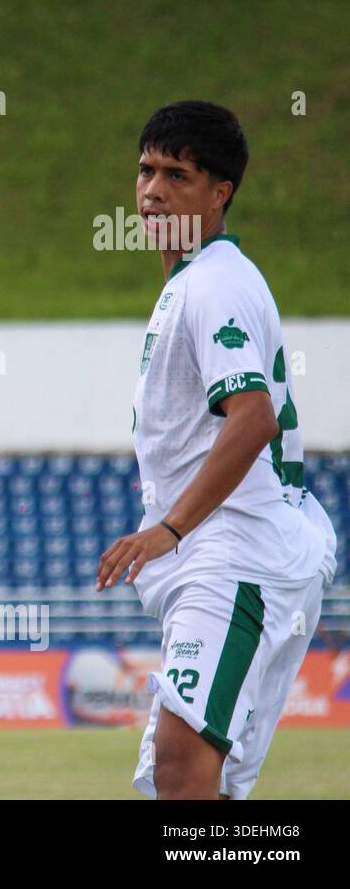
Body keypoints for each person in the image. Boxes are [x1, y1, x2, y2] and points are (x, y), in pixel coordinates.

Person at [96, 101, 338, 800]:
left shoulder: (214, 283)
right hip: (234, 554)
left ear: (219, 192)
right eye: (145, 170)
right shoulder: (190, 281)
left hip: (233, 552)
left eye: (177, 174)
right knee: (194, 783)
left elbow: (252, 417)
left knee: (180, 770)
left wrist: (169, 529)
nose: (151, 190)